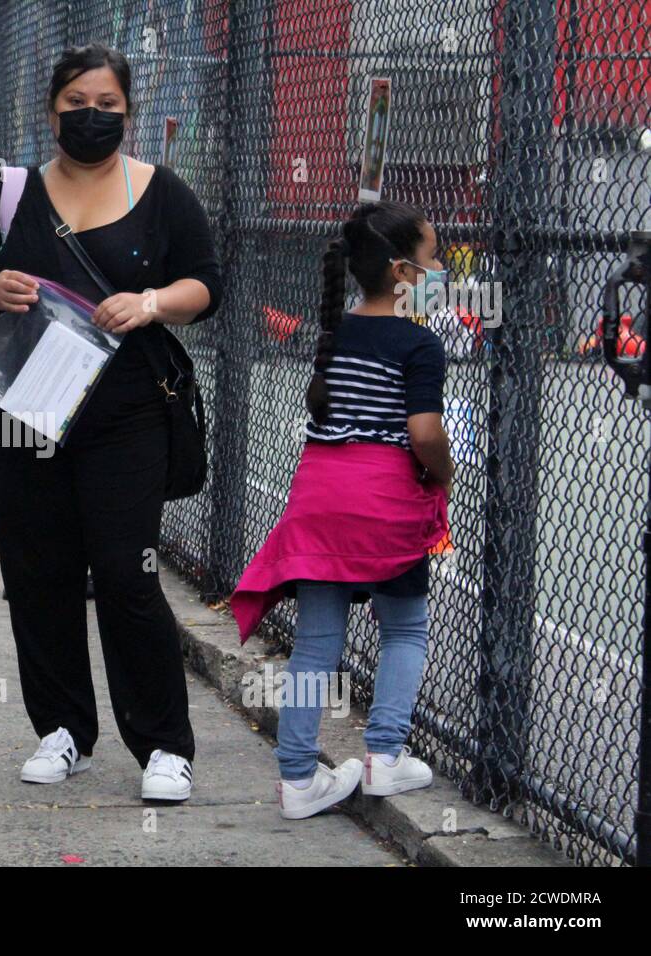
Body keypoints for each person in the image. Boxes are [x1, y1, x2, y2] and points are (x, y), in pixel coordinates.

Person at [0, 44, 221, 801]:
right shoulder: (11, 194)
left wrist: (153, 302)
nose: (91, 118)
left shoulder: (162, 193)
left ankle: (165, 744)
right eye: (76, 104)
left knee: (127, 571)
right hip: (24, 410)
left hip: (126, 414)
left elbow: (206, 283)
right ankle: (63, 731)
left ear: (129, 113)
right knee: (37, 573)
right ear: (51, 109)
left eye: (107, 106)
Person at [230, 201, 453, 820]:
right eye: (433, 257)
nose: (441, 267)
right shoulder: (419, 342)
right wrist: (445, 474)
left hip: (320, 500)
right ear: (404, 272)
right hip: (385, 503)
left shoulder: (334, 331)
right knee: (404, 626)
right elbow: (424, 430)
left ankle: (299, 778)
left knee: (316, 644)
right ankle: (384, 754)